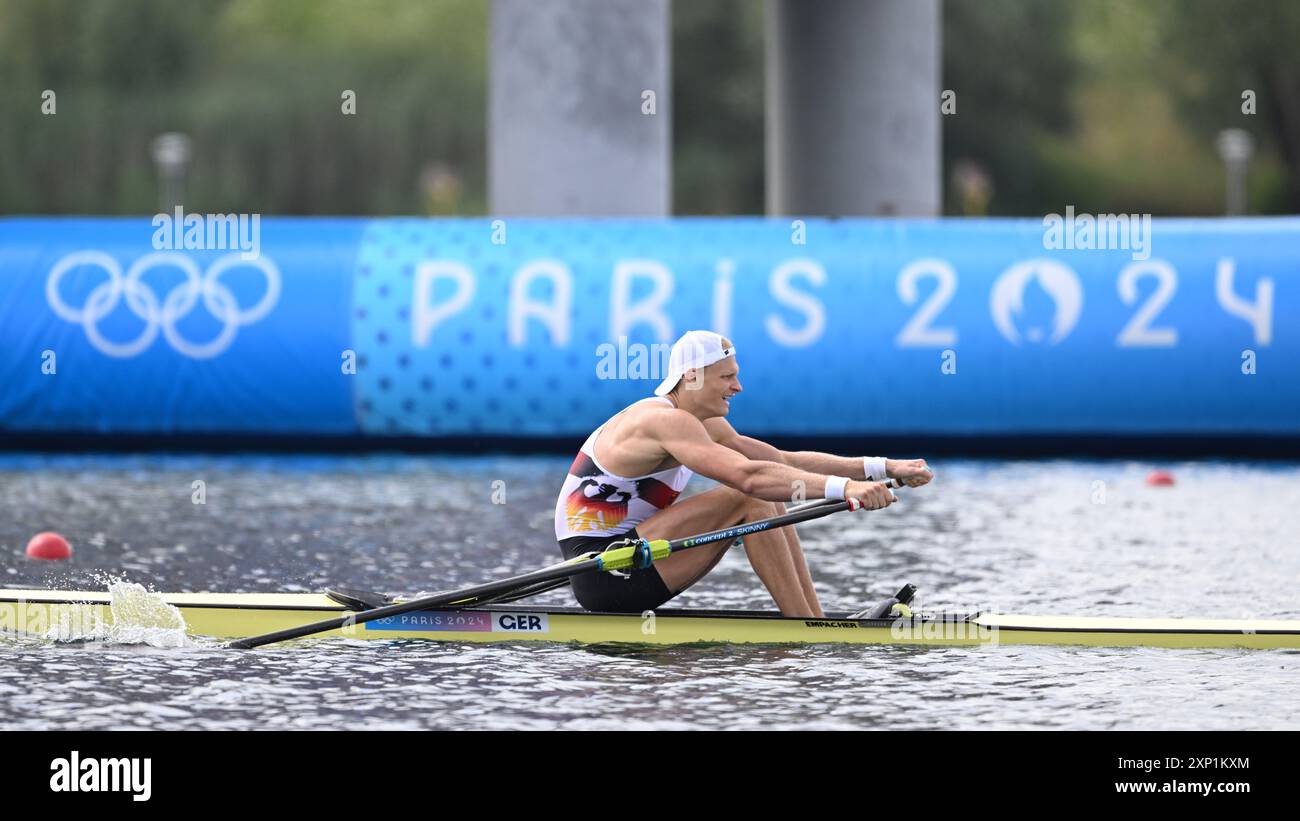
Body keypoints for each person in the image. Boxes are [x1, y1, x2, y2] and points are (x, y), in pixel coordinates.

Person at [553, 330, 932, 617]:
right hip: (604, 571)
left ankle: (813, 619)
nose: (738, 386)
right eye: (727, 377)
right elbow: (749, 478)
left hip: (637, 558)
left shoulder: (701, 423)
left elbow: (780, 462)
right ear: (693, 377)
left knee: (770, 491)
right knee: (750, 496)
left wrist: (882, 468)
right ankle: (806, 627)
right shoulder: (661, 422)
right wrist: (845, 490)